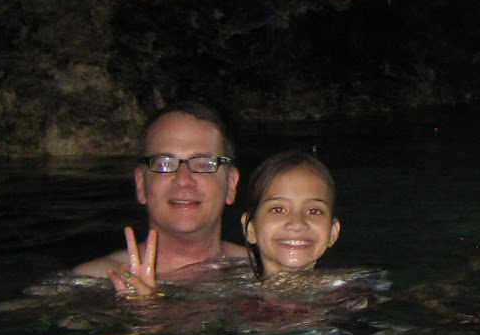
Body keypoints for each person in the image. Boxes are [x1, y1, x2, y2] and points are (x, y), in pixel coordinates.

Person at [74, 101, 244, 295]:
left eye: (203, 164)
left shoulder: (265, 272)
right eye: (164, 163)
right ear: (141, 184)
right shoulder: (92, 283)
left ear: (231, 184)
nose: (183, 180)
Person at [239, 150, 342, 275]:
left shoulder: (355, 291)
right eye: (278, 210)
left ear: (333, 232)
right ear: (250, 228)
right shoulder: (223, 290)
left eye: (314, 211)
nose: (297, 224)